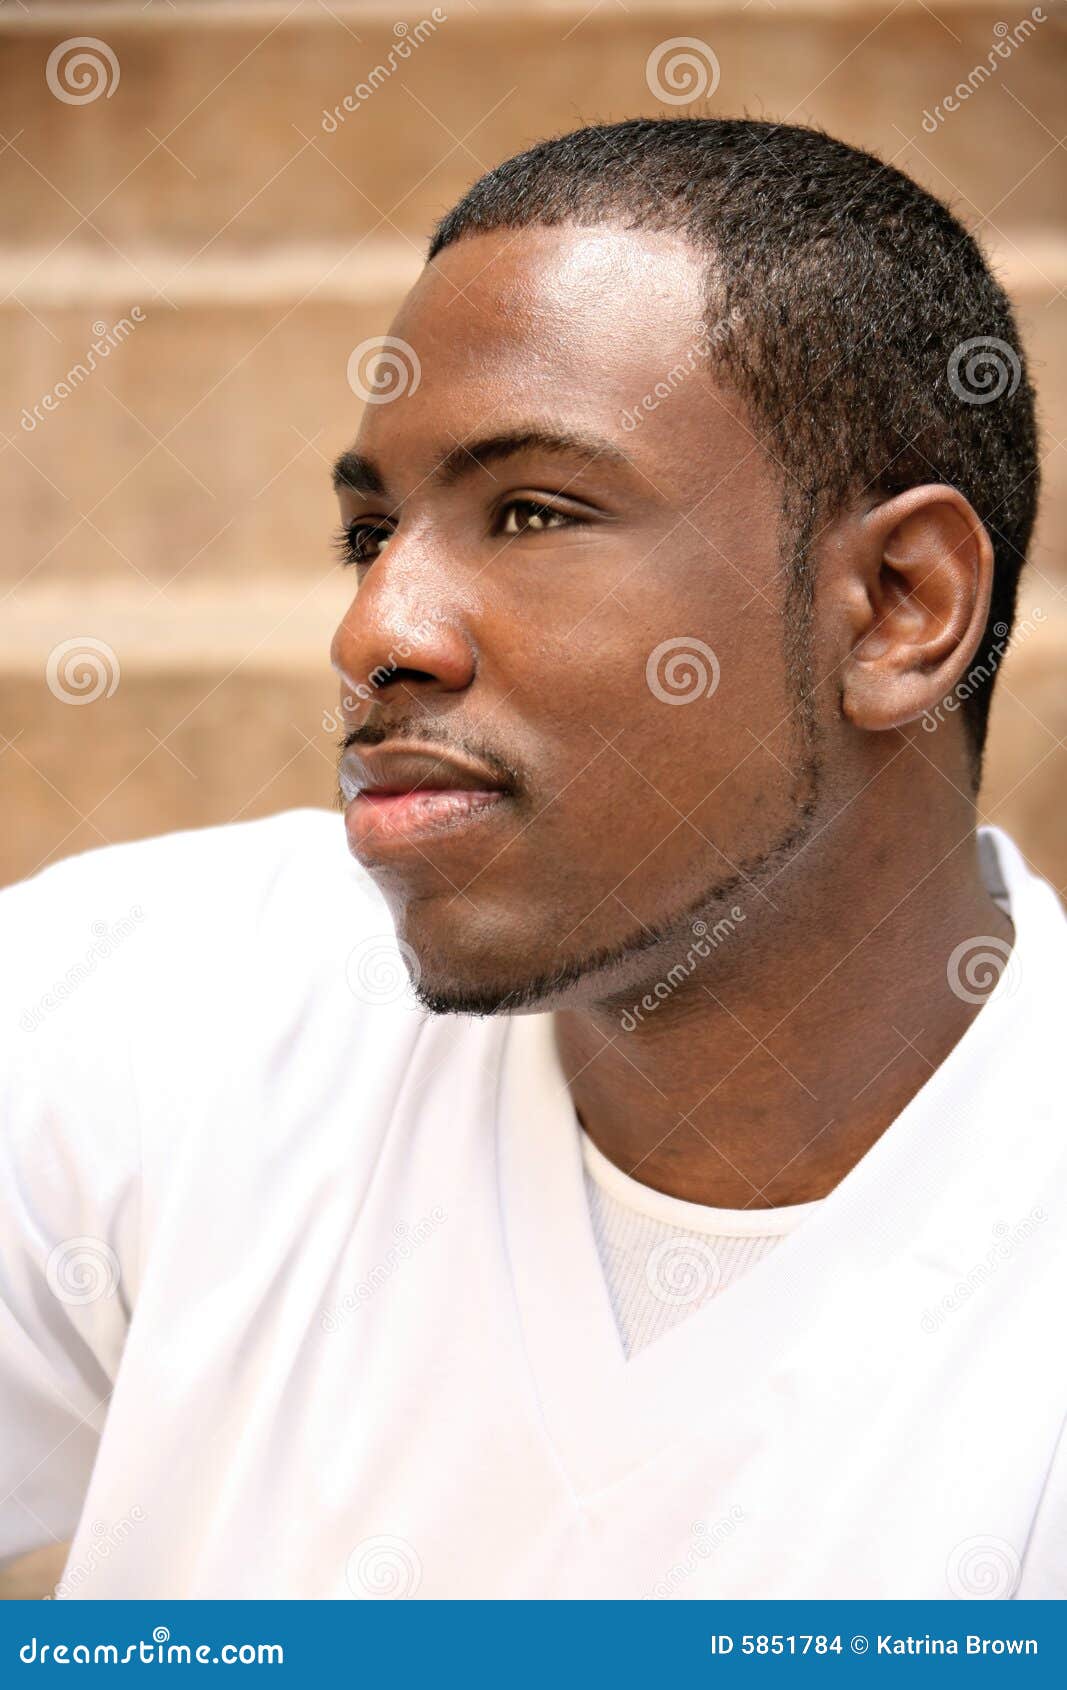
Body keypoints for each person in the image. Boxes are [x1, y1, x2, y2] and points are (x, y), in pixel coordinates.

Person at [1, 117, 1063, 1601]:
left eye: (535, 512)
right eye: (369, 531)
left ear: (897, 607)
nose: (376, 632)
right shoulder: (156, 1002)